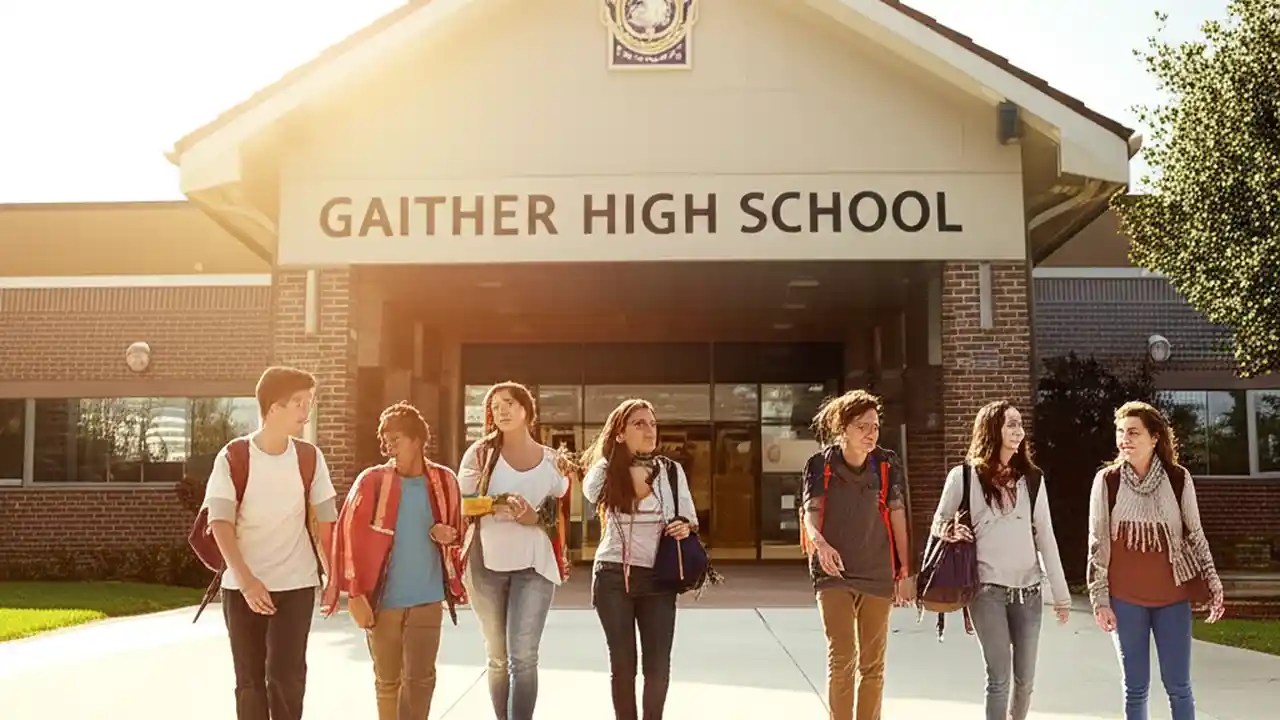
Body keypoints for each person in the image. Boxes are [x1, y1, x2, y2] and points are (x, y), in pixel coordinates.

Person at [201, 366, 337, 720]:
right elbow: (220, 522)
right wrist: (246, 580)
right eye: (298, 403)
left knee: (287, 677)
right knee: (250, 681)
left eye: (309, 402)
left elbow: (327, 520)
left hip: (296, 583)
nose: (306, 412)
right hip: (242, 585)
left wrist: (334, 575)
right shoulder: (234, 457)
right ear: (273, 408)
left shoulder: (310, 457)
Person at [321, 402, 465, 720]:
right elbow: (348, 537)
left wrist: (449, 535)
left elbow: (460, 535)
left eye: (395, 439)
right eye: (384, 440)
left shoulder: (445, 482)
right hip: (382, 601)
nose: (388, 447)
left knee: (421, 680)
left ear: (417, 440)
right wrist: (355, 595)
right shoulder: (372, 482)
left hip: (427, 598)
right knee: (388, 681)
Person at [930, 400, 1071, 720]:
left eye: (1020, 424)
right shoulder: (963, 476)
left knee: (1025, 680)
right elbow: (938, 523)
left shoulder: (1032, 479)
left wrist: (1061, 596)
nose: (1018, 431)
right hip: (986, 592)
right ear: (992, 429)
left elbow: (1046, 536)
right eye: (1010, 424)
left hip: (1029, 592)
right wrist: (951, 531)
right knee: (999, 678)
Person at [1087, 401, 1225, 720]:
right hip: (1125, 600)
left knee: (1179, 686)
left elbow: (1195, 533)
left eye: (1134, 432)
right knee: (1135, 687)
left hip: (1173, 599)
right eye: (1121, 432)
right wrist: (1100, 599)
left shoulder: (1178, 479)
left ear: (1154, 438)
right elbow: (1097, 544)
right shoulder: (1107, 482)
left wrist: (1213, 581)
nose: (1125, 439)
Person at [457, 381, 577, 720]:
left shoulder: (553, 461)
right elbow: (460, 503)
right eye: (495, 407)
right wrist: (496, 503)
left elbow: (564, 513)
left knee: (523, 657)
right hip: (486, 565)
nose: (502, 411)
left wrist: (534, 516)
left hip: (535, 567)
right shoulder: (480, 454)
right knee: (497, 657)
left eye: (509, 403)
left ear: (527, 410)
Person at [800, 389, 915, 720]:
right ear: (843, 428)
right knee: (843, 657)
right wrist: (820, 543)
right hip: (832, 573)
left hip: (877, 571)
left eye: (875, 426)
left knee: (873, 663)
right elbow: (810, 513)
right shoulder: (819, 464)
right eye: (862, 426)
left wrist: (905, 572)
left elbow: (897, 516)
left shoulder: (886, 463)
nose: (870, 433)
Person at [582, 398, 698, 720]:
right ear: (619, 434)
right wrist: (631, 467)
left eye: (652, 423)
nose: (649, 430)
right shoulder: (604, 470)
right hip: (613, 576)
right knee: (623, 666)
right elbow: (598, 493)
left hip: (659, 578)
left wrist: (683, 526)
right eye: (639, 424)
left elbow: (689, 516)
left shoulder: (672, 471)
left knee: (658, 666)